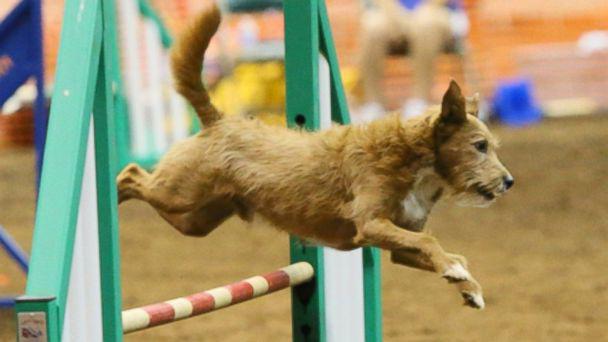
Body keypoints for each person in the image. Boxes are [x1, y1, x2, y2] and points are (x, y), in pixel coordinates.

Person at [357, 0, 469, 121]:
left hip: (437, 12)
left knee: (426, 24)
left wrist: (420, 13)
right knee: (373, 27)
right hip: (392, 15)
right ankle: (373, 105)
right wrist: (396, 15)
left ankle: (419, 102)